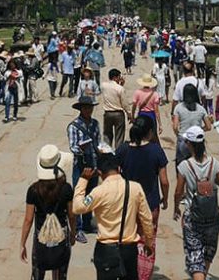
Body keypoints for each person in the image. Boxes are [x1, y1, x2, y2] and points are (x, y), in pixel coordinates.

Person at [72, 152, 155, 280]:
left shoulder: (98, 192)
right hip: (129, 249)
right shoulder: (135, 188)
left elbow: (77, 208)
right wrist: (148, 242)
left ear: (100, 173)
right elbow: (147, 219)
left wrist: (83, 180)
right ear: (119, 169)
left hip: (105, 250)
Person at [172, 126, 219, 280]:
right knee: (208, 251)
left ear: (189, 144)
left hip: (193, 216)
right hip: (212, 215)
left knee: (195, 256)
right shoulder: (214, 163)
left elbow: (178, 192)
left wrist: (176, 208)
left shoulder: (184, 166)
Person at [117, 117, 169, 280]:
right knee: (147, 240)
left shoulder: (123, 150)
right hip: (150, 203)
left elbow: (113, 174)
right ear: (150, 132)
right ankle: (143, 275)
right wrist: (165, 199)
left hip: (128, 204)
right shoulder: (156, 151)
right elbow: (164, 181)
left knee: (127, 239)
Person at [21, 144, 76, 280]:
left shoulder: (33, 190)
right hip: (61, 236)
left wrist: (22, 243)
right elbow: (71, 215)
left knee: (38, 271)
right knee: (60, 273)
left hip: (41, 236)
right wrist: (73, 233)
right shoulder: (66, 189)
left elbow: (28, 220)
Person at [67, 95, 101, 243]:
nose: (89, 110)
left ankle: (87, 223)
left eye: (91, 107)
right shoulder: (73, 126)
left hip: (93, 163)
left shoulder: (95, 124)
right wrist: (82, 149)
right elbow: (73, 146)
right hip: (80, 165)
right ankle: (78, 227)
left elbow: (98, 142)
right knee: (78, 194)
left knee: (91, 194)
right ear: (81, 109)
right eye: (86, 108)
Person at [171, 85, 212, 165]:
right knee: (197, 164)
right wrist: (200, 130)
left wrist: (178, 135)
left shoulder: (178, 108)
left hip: (183, 139)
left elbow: (175, 127)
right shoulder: (201, 109)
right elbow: (209, 126)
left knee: (180, 165)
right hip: (197, 141)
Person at [101, 68, 128, 151]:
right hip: (118, 113)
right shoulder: (120, 89)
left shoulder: (104, 85)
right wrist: (129, 114)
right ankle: (118, 153)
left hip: (108, 113)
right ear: (116, 77)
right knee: (119, 135)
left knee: (107, 135)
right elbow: (125, 104)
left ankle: (107, 153)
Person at [130, 74, 162, 141]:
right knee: (153, 135)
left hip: (141, 114)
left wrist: (132, 117)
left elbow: (134, 106)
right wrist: (160, 124)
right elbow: (157, 111)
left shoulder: (137, 92)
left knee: (140, 135)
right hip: (151, 115)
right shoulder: (154, 94)